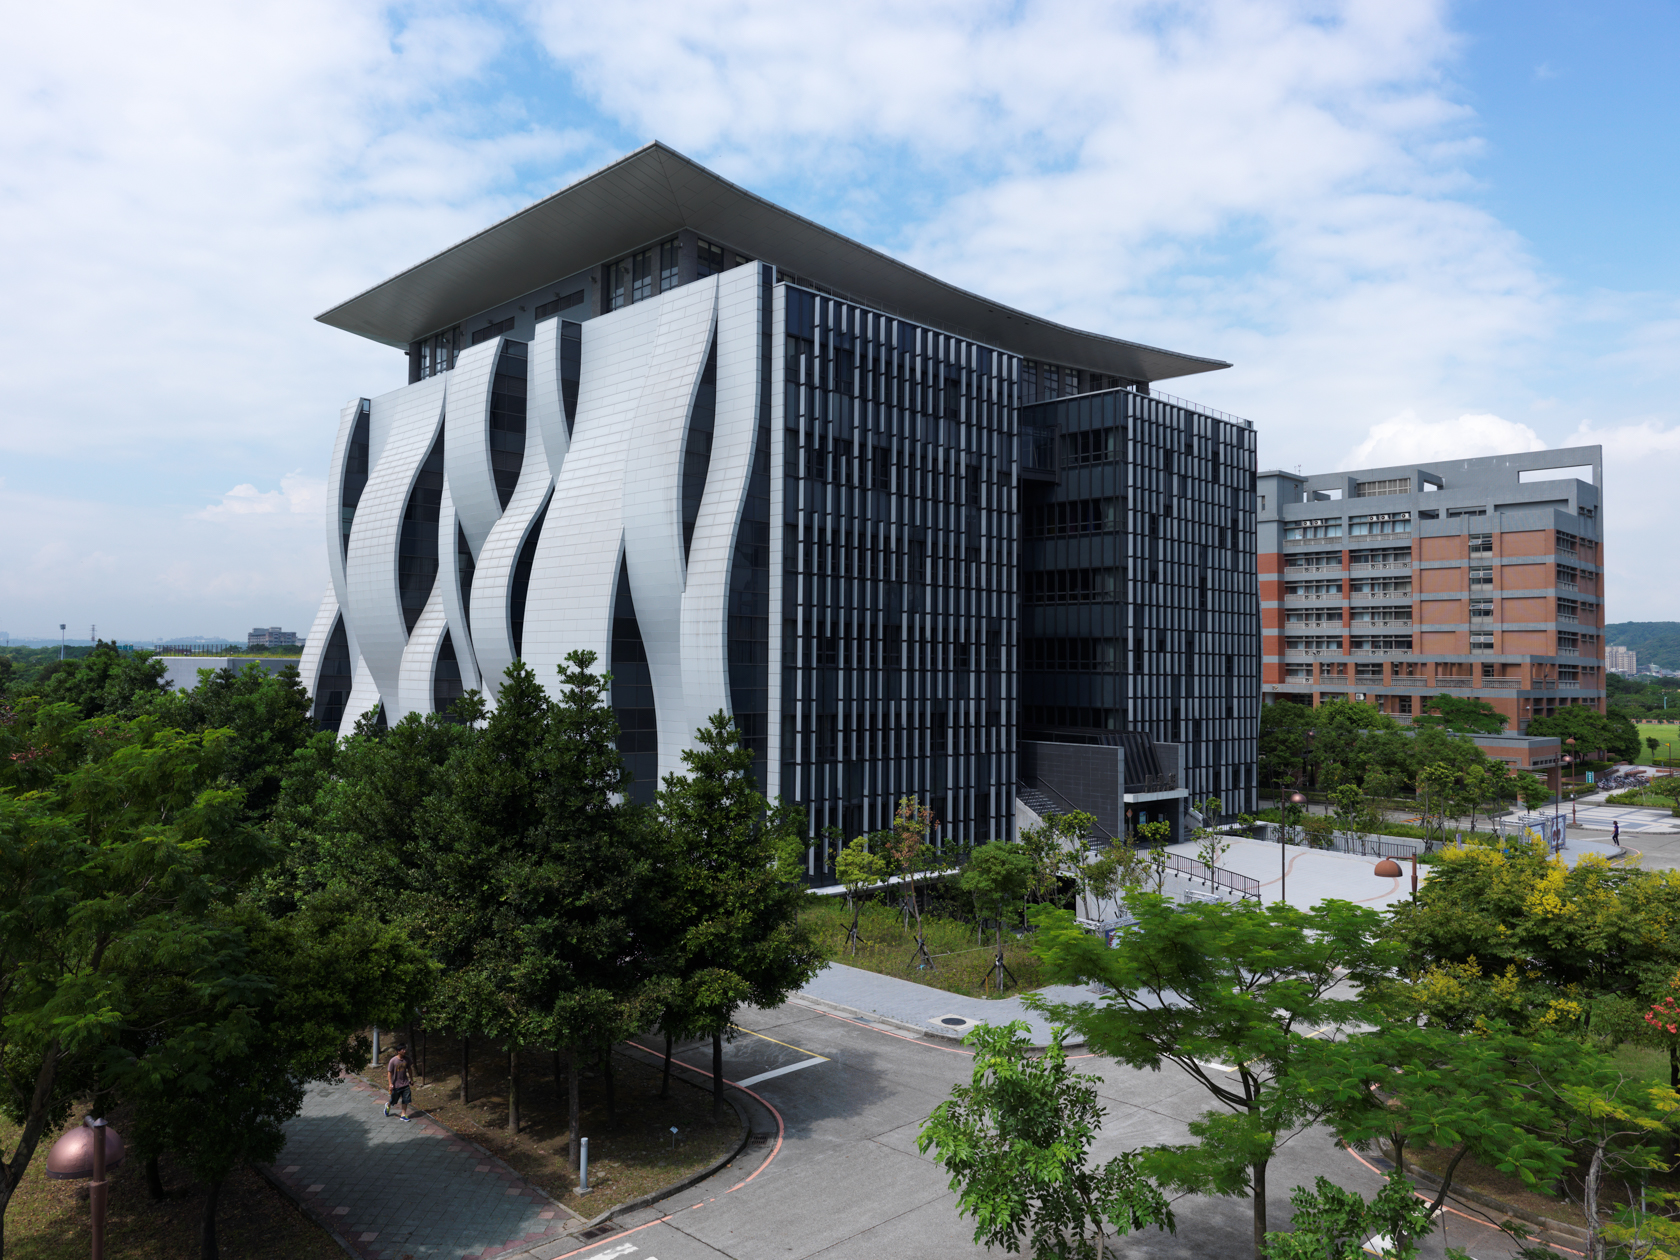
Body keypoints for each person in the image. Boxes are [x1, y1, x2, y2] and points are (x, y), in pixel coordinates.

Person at [385, 1045, 413, 1121]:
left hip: (405, 1083)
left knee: (406, 1099)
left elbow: (409, 1069)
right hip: (396, 1084)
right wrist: (390, 1083)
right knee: (394, 1099)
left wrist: (411, 1079)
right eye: (403, 1050)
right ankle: (388, 1105)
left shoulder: (407, 1059)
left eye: (405, 1049)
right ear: (398, 1051)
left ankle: (403, 1115)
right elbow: (389, 1072)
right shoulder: (393, 1061)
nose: (404, 1051)